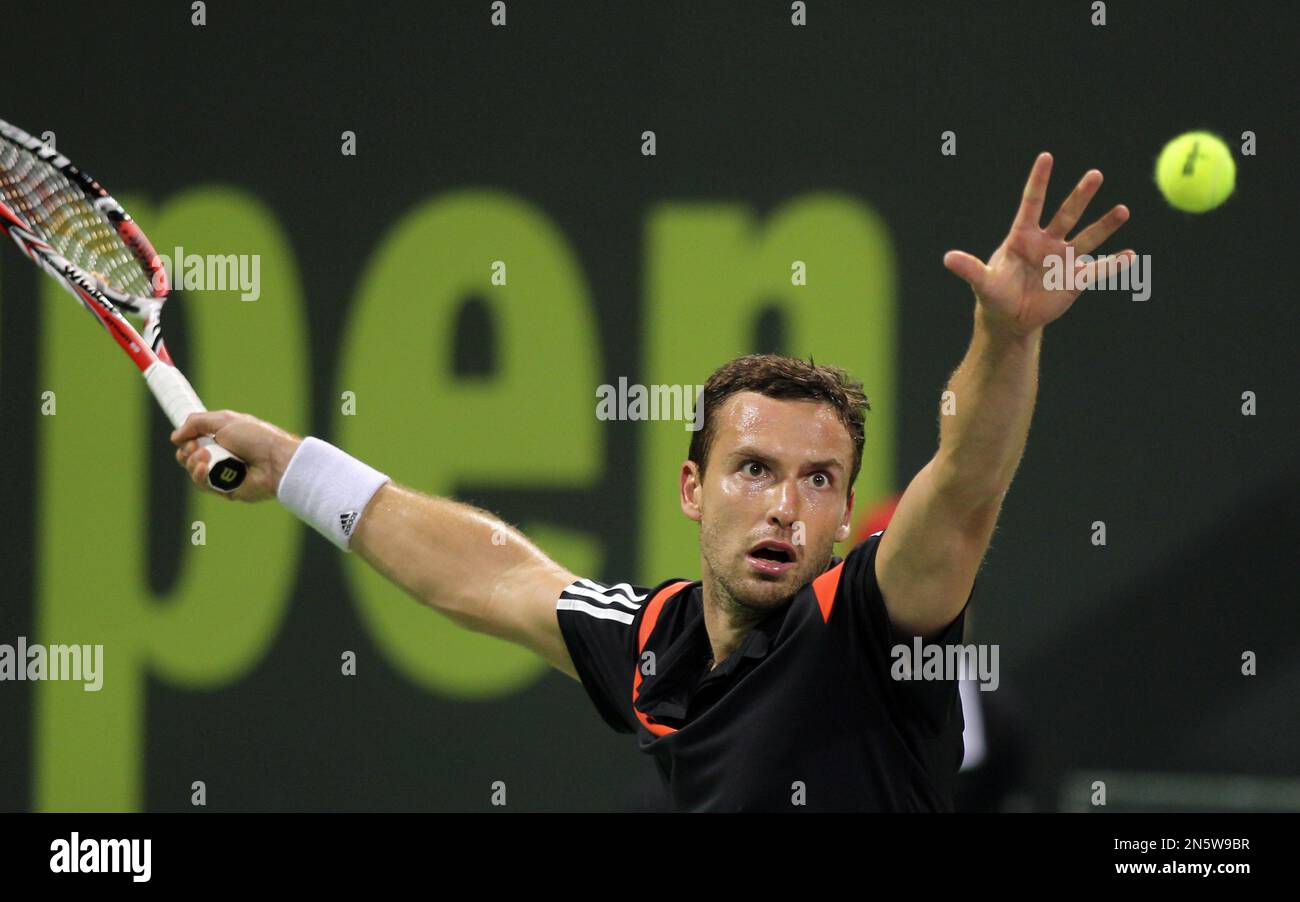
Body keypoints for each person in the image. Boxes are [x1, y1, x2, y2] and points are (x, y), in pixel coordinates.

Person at [172, 152, 1133, 811]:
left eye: (818, 481)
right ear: (690, 488)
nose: (784, 506)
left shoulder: (869, 627)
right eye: (753, 469)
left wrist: (1004, 339)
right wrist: (299, 467)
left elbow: (964, 487)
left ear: (846, 512)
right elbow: (491, 577)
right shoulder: (657, 643)